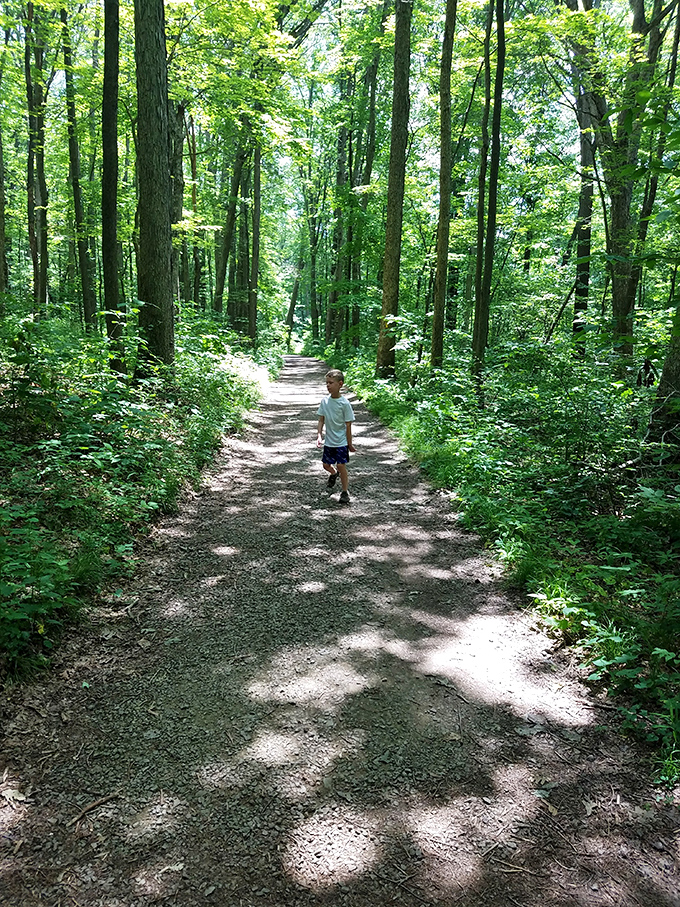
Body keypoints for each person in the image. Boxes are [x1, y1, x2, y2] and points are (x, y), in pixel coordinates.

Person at [316, 369, 356, 504]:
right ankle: (333, 474)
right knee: (326, 465)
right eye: (327, 383)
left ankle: (345, 491)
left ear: (340, 384)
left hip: (341, 442)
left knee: (341, 466)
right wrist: (319, 436)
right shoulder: (325, 401)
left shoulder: (344, 404)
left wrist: (349, 444)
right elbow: (321, 420)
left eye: (331, 383)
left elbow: (348, 425)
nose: (328, 385)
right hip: (329, 441)